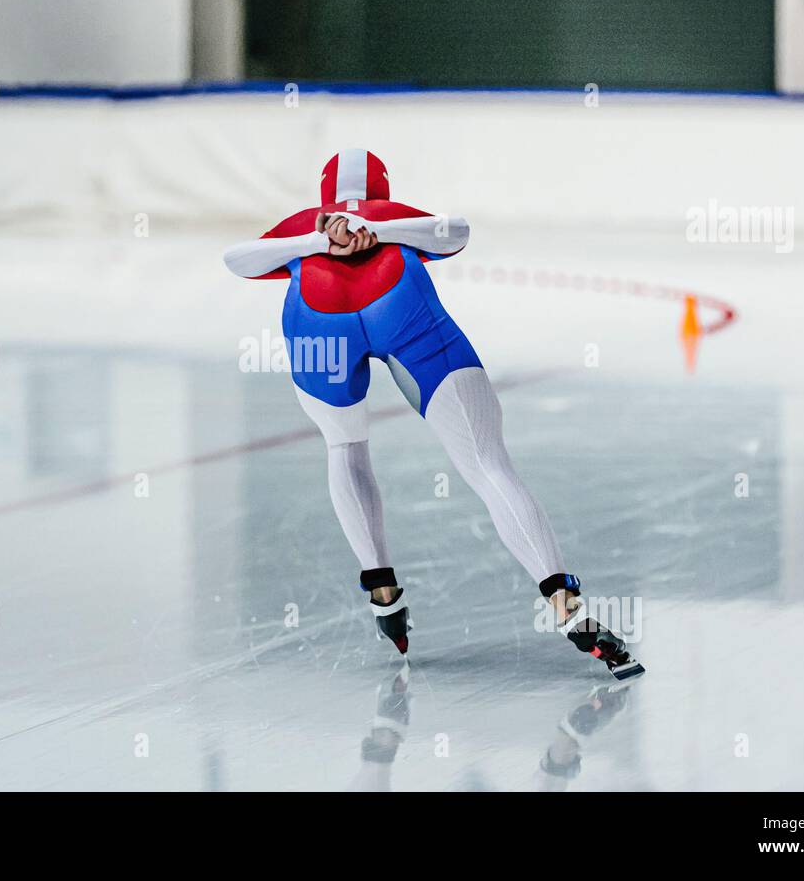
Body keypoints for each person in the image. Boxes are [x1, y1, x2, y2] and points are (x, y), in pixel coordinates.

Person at [223, 149, 642, 681]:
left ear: (323, 192)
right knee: (488, 464)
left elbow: (237, 260)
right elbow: (456, 233)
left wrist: (316, 241)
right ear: (382, 186)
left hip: (317, 326)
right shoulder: (390, 212)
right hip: (404, 313)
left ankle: (382, 591)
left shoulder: (304, 222)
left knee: (344, 448)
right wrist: (376, 226)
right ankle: (562, 600)